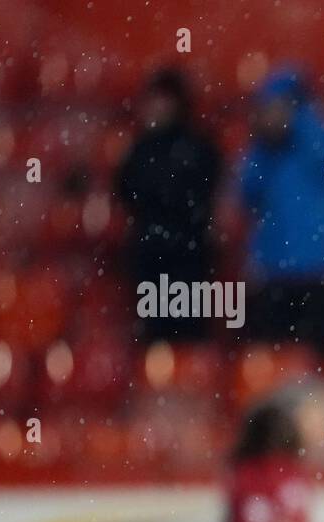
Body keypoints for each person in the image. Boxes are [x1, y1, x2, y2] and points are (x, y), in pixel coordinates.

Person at [237, 69, 324, 359]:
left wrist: (298, 122)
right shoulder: (261, 153)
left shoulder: (316, 140)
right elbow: (246, 193)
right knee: (272, 360)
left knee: (316, 361)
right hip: (272, 272)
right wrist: (263, 142)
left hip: (315, 271)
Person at [115, 67, 222, 344]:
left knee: (188, 336)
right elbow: (125, 190)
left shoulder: (197, 146)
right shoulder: (141, 147)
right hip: (152, 256)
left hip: (187, 257)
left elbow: (196, 194)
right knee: (154, 337)